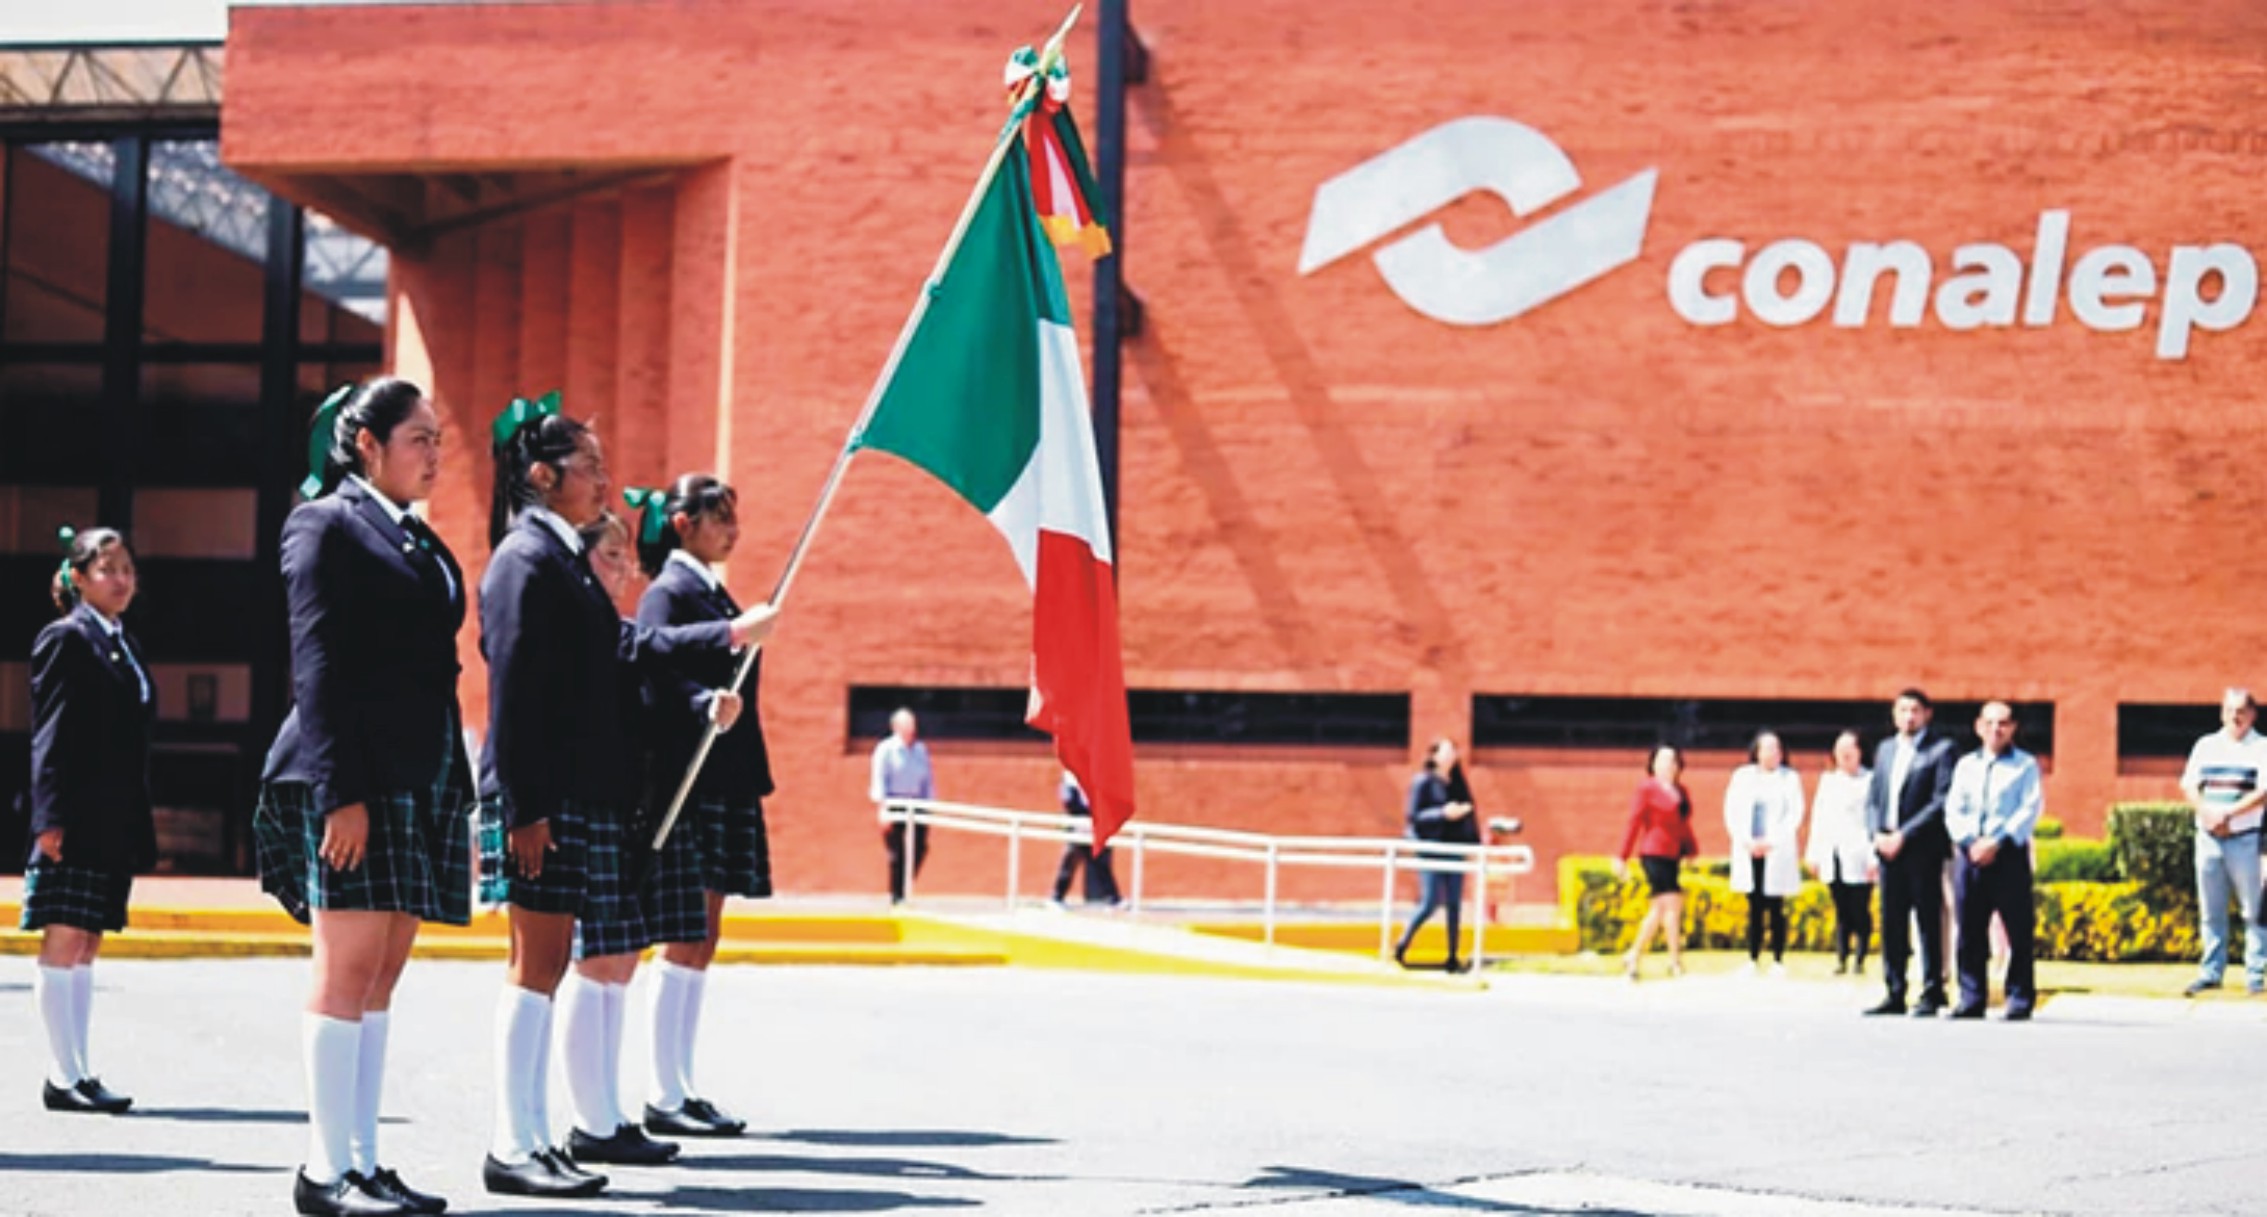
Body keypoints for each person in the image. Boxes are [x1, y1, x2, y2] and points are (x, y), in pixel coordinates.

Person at [475, 395, 773, 1200]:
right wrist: (524, 809)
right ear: (543, 475)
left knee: (549, 967)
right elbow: (514, 694)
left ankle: (537, 1137)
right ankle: (513, 1141)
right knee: (534, 968)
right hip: (546, 798)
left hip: (578, 793)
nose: (604, 481)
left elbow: (625, 645)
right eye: (590, 466)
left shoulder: (559, 556)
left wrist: (726, 635)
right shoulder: (524, 559)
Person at [250, 379, 469, 1216]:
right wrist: (340, 794)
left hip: (417, 778)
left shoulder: (415, 536)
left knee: (381, 976)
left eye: (437, 438)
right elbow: (317, 663)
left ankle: (365, 1162)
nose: (435, 453)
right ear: (367, 445)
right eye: (420, 438)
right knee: (344, 972)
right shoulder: (324, 523)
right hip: (353, 780)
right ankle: (323, 1171)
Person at [548, 510, 708, 1171]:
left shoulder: (610, 626)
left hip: (624, 803)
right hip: (578, 800)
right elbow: (650, 649)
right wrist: (731, 633)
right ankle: (588, 1120)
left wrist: (702, 704)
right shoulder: (582, 626)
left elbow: (651, 675)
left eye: (626, 557)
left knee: (617, 960)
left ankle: (608, 1114)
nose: (624, 569)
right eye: (609, 556)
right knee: (590, 961)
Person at [627, 476, 768, 1138]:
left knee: (704, 935)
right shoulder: (669, 592)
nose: (732, 530)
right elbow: (653, 673)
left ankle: (681, 1082)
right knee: (684, 934)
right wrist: (700, 702)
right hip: (691, 777)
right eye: (720, 518)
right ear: (683, 523)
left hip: (724, 775)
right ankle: (663, 1090)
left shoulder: (710, 592)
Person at [25, 526, 153, 1120]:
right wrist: (49, 818)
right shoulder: (67, 638)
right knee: (65, 934)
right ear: (78, 579)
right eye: (107, 569)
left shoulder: (121, 641)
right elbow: (50, 734)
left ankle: (79, 1069)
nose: (121, 579)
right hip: (75, 814)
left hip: (114, 816)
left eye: (127, 568)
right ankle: (62, 1073)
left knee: (88, 939)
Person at [1863, 688, 1959, 1017]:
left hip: (1921, 849)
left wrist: (1904, 834)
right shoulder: (1886, 749)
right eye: (1902, 710)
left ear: (1927, 714)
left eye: (1915, 710)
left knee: (1928, 921)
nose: (1908, 717)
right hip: (1887, 849)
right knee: (1891, 921)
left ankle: (1933, 990)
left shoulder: (1942, 750)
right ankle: (1894, 990)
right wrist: (1876, 833)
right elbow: (1874, 798)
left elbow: (1940, 800)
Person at [1944, 702, 2042, 1021]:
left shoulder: (2026, 766)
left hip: (2008, 855)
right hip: (1970, 855)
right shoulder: (1965, 766)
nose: (1996, 729)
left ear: (2013, 728)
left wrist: (1996, 841)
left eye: (2003, 723)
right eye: (1990, 723)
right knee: (1969, 930)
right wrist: (1970, 841)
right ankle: (1971, 998)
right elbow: (1953, 809)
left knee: (2018, 930)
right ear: (1978, 727)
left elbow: (2029, 809)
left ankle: (2019, 998)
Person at [2178, 687, 2267, 997]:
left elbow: (2263, 792)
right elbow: (2190, 786)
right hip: (2209, 839)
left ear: (2253, 715)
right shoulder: (2206, 746)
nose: (2235, 716)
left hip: (2245, 840)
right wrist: (2207, 812)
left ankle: (2255, 976)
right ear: (2222, 713)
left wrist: (2228, 813)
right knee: (2211, 911)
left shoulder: (2262, 748)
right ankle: (2211, 973)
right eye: (2229, 710)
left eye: (2241, 710)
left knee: (2253, 911)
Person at [1393, 739, 1479, 971]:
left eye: (1453, 751)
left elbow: (1470, 813)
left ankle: (1452, 956)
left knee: (1454, 903)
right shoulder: (1423, 781)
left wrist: (1474, 844)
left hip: (1455, 848)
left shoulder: (1458, 783)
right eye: (1446, 751)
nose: (1451, 756)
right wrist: (1442, 813)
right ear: (1434, 755)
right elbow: (1414, 816)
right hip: (1431, 849)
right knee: (1430, 902)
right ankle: (1402, 945)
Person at [1614, 744, 1699, 980]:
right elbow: (1634, 822)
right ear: (1652, 764)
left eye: (1672, 761)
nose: (1667, 765)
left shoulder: (1681, 791)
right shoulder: (1647, 789)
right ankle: (1674, 962)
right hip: (1654, 852)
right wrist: (1622, 856)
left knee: (1661, 909)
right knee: (1671, 905)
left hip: (1673, 854)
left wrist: (1691, 850)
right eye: (1661, 760)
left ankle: (1634, 955)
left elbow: (1683, 825)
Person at [1723, 730, 1804, 975]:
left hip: (1776, 850)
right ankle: (1752, 957)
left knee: (1776, 906)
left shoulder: (1790, 778)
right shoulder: (1742, 777)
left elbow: (1794, 814)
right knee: (1754, 906)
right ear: (1756, 752)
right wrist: (1747, 841)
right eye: (1766, 748)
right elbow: (1732, 811)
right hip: (1749, 849)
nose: (1771, 753)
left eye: (1775, 748)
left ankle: (1778, 959)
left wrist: (1772, 841)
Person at [1805, 730, 1877, 976]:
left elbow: (1873, 820)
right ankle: (1842, 956)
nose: (1845, 754)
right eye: (1840, 749)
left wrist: (1873, 856)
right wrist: (1813, 853)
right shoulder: (1828, 781)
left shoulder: (1870, 780)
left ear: (1860, 752)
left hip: (1860, 851)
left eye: (1850, 749)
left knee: (1860, 907)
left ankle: (1860, 957)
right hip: (1833, 851)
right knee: (1841, 908)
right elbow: (1819, 819)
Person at [871, 708, 934, 903]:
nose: (912, 729)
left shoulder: (920, 750)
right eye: (907, 725)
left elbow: (928, 780)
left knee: (919, 848)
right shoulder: (886, 749)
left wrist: (929, 805)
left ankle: (905, 886)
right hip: (894, 803)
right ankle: (896, 896)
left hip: (916, 804)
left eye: (913, 724)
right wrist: (883, 810)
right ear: (896, 727)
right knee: (897, 852)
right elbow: (879, 779)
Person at [1049, 769, 1122, 909]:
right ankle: (1056, 897)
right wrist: (1080, 819)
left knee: (1099, 861)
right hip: (1077, 825)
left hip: (1093, 824)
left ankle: (1113, 898)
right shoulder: (1070, 776)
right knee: (1070, 859)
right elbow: (1069, 801)